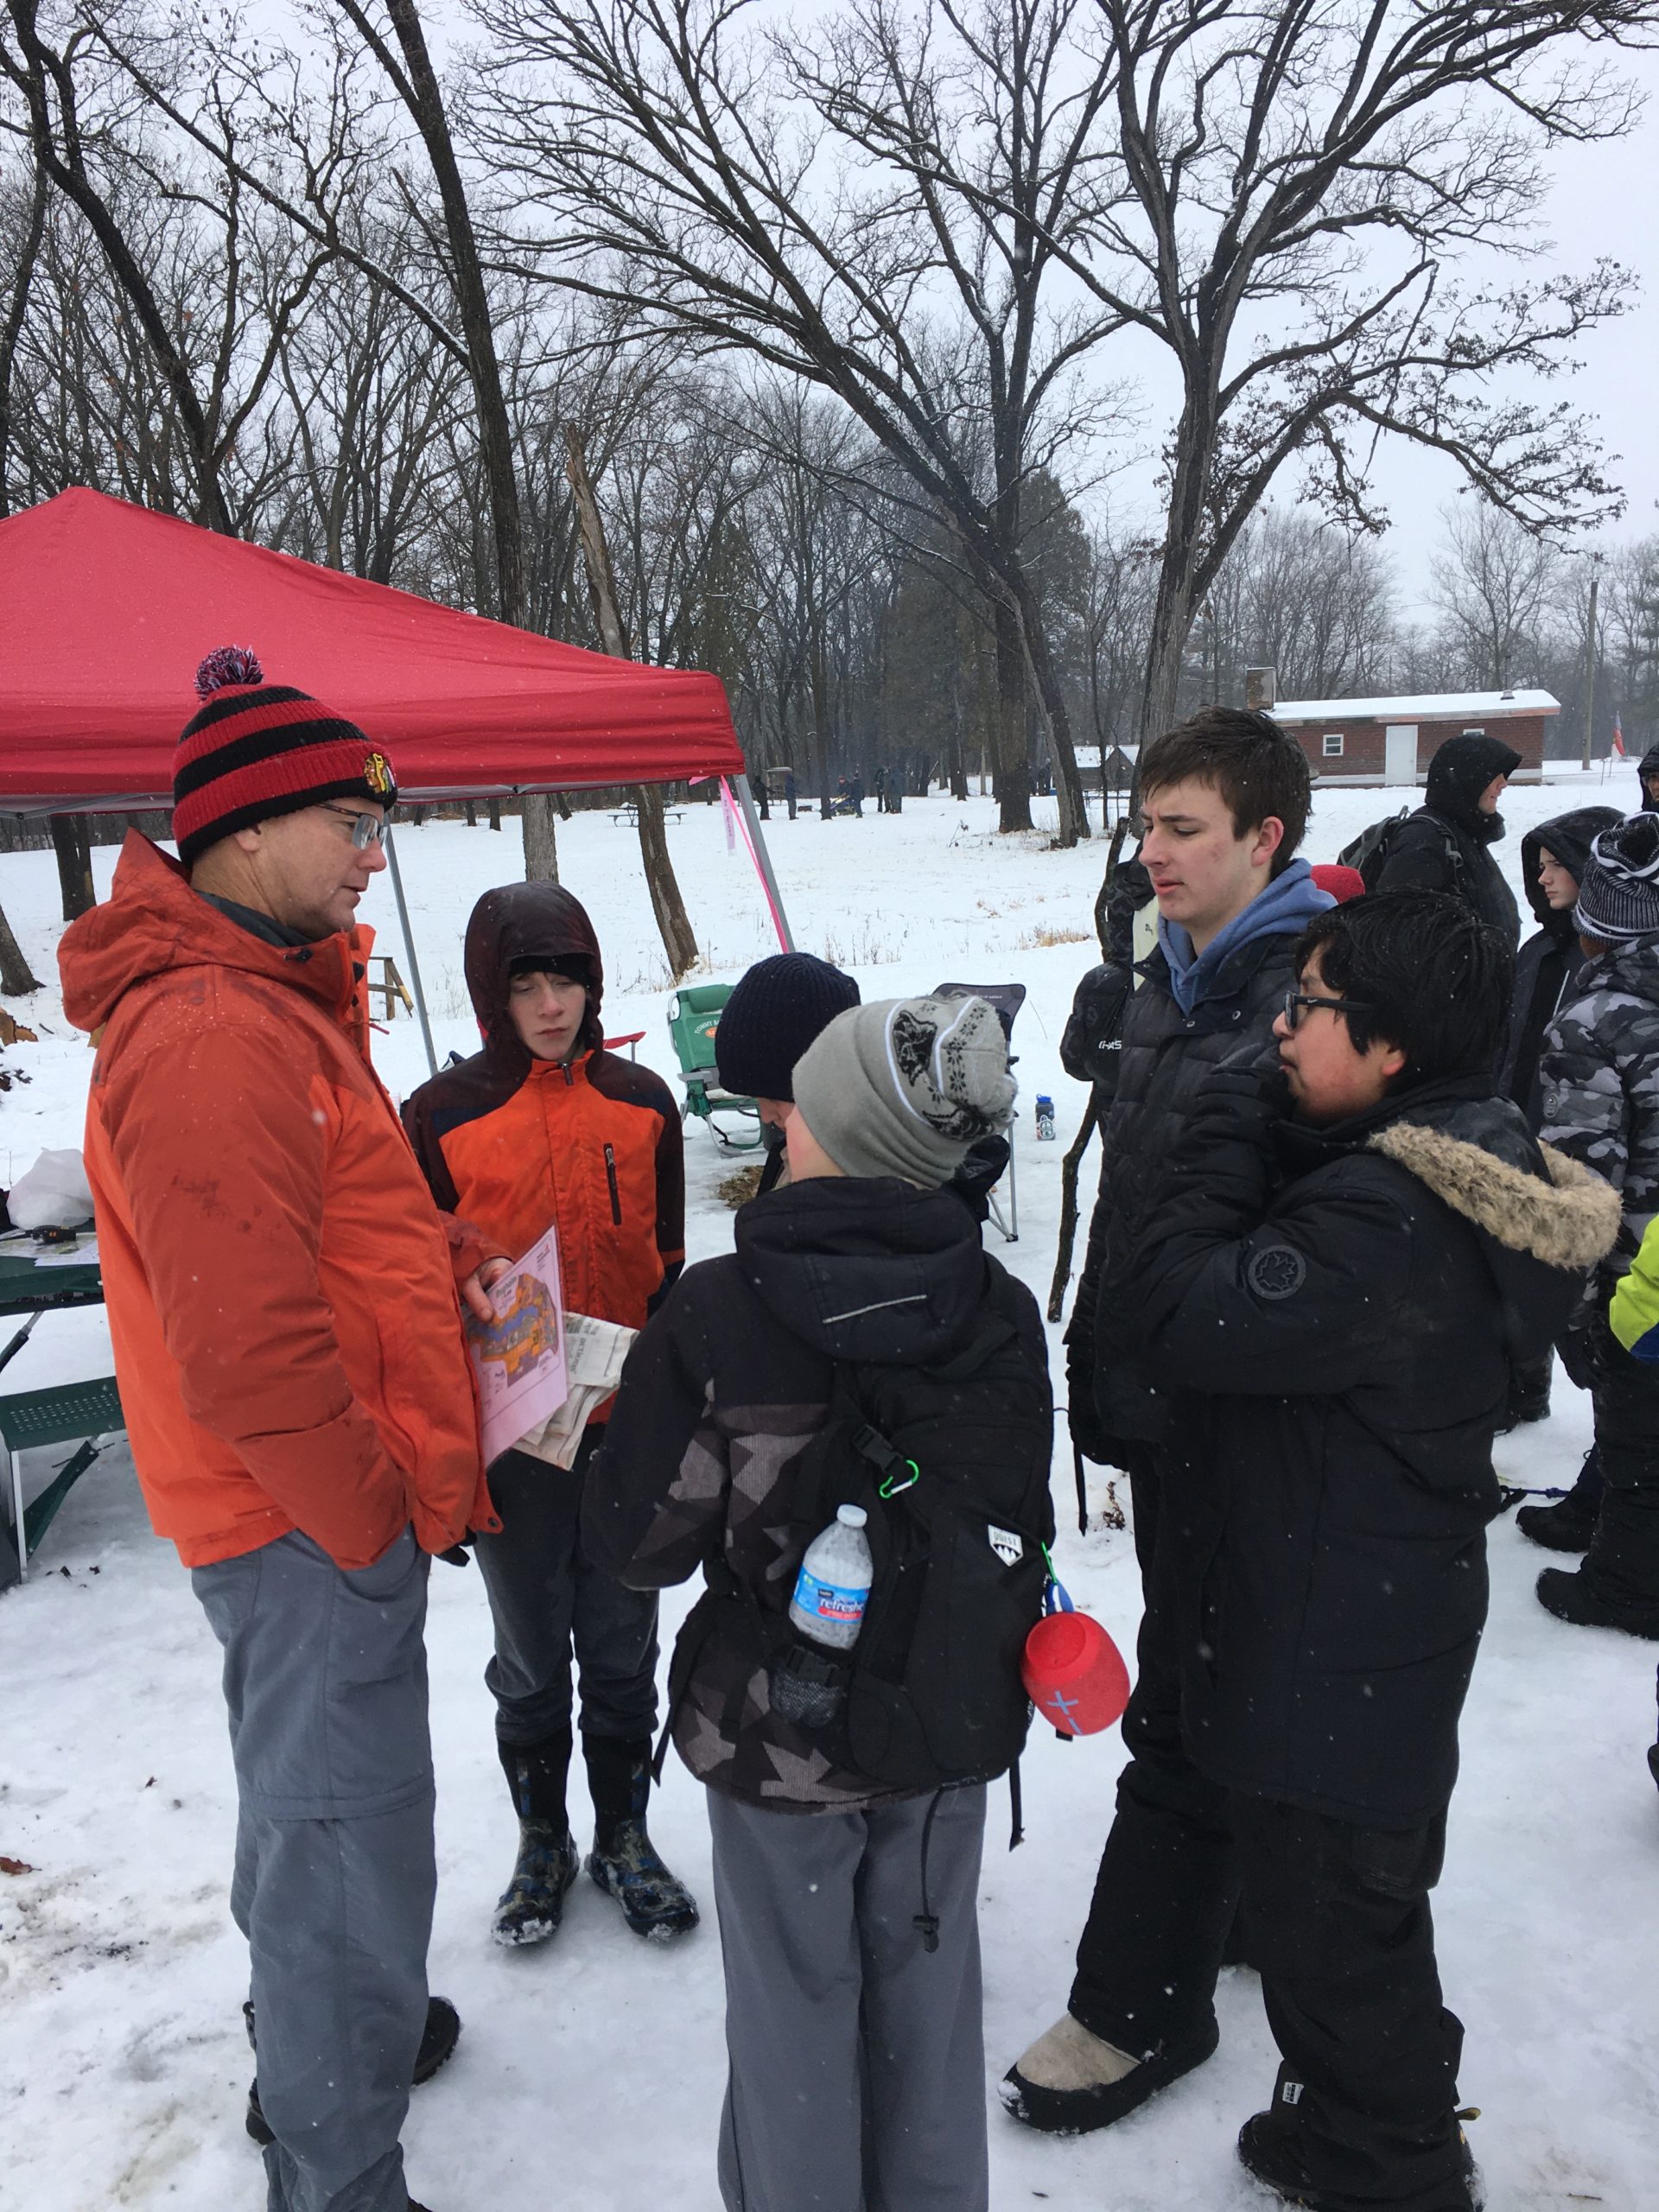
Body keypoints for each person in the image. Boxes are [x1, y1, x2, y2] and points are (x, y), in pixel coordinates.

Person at [58, 646, 504, 2212]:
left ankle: (317, 2039)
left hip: (308, 1507)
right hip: (303, 1516)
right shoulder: (213, 1030)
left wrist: (449, 1268)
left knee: (316, 1820)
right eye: (351, 824)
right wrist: (369, 1514)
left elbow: (322, 1227)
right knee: (346, 1851)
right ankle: (336, 2162)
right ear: (245, 830)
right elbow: (246, 1354)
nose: (373, 855)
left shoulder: (270, 997)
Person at [1090, 893, 1615, 2212]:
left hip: (1330, 1658)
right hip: (1368, 1627)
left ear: (1391, 1049)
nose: (1281, 1026)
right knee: (1356, 1918)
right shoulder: (1452, 1148)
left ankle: (1392, 2167)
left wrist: (1219, 1124)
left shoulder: (1387, 1219)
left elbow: (1175, 1309)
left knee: (1342, 1947)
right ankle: (1353, 2124)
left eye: (1311, 1007)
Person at [584, 995, 1048, 2212]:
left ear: (837, 1128)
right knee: (930, 2015)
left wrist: (608, 1438)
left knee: (794, 2020)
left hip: (777, 1736)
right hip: (942, 1718)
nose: (779, 1120)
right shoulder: (996, 1308)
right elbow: (1014, 1515)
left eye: (800, 1104)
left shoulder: (720, 1312)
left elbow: (639, 1544)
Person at [1010, 706, 1332, 2131]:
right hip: (1167, 1400)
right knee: (1223, 1674)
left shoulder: (1313, 998)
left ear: (1267, 837)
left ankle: (1140, 2007)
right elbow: (1153, 1183)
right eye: (1146, 825)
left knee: (1189, 1706)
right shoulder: (1175, 975)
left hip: (1254, 1418)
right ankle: (1244, 1903)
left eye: (1183, 828)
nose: (1152, 853)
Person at [401, 883, 700, 1943]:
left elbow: (668, 1266)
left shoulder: (644, 1101)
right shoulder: (441, 1115)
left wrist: (672, 1414)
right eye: (524, 984)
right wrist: (441, 1459)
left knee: (622, 1650)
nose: (550, 1005)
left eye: (566, 981)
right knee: (530, 1660)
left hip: (623, 1433)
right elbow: (411, 1287)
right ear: (492, 992)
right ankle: (543, 1839)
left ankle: (623, 1833)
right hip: (513, 1443)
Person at [1533, 814, 1659, 1634]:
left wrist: (1572, 1308)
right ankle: (1594, 1505)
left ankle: (1627, 1587)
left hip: (1638, 1272)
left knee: (1638, 1423)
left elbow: (1581, 1186)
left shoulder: (1596, 1019)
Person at [1496, 807, 1621, 1438]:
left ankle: (1612, 1428)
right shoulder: (1539, 948)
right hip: (1515, 1126)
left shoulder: (1607, 959)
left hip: (1582, 1144)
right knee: (1514, 1265)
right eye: (1538, 866)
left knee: (1576, 1287)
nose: (1543, 878)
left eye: (1555, 865)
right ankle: (1522, 1389)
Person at [713, 950, 861, 1195]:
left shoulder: (865, 1190)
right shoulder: (790, 1157)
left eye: (774, 1098)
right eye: (757, 1098)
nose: (765, 1116)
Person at [1371, 732, 1522, 944]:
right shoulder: (1423, 839)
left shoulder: (1463, 831)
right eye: (1494, 775)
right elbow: (1399, 933)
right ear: (1469, 779)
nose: (1503, 783)